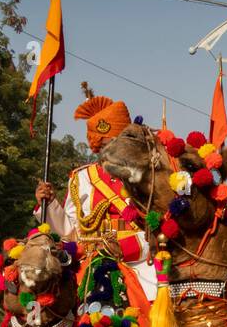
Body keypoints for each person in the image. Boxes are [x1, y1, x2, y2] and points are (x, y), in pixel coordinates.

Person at [34, 91, 157, 309]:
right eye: (104, 146)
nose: (109, 151)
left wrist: (124, 247)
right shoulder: (81, 178)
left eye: (114, 143)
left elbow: (159, 229)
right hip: (88, 266)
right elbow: (70, 231)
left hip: (139, 265)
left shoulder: (147, 176)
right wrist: (49, 203)